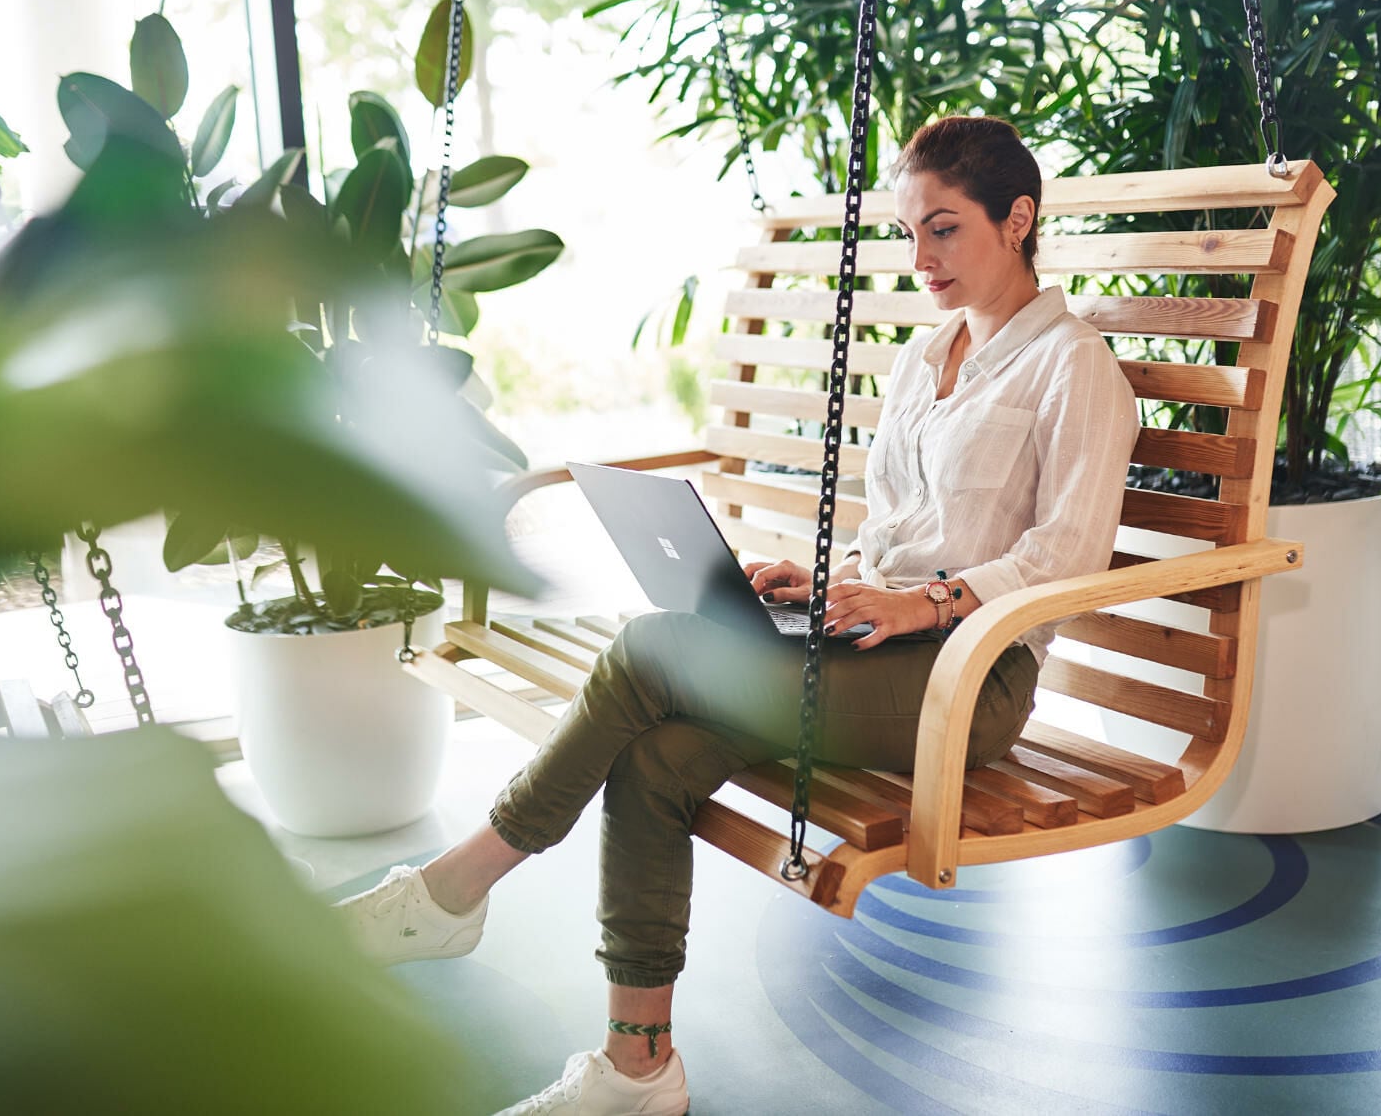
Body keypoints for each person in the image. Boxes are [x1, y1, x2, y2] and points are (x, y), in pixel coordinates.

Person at [334, 115, 1139, 1116]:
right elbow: (890, 526)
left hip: (967, 680)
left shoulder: (1073, 367)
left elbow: (1065, 553)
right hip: (872, 642)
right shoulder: (922, 360)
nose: (919, 256)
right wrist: (831, 580)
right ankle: (640, 1071)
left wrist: (921, 600)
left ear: (1016, 219)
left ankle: (455, 886)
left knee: (648, 648)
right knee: (656, 753)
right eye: (907, 232)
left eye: (943, 229)